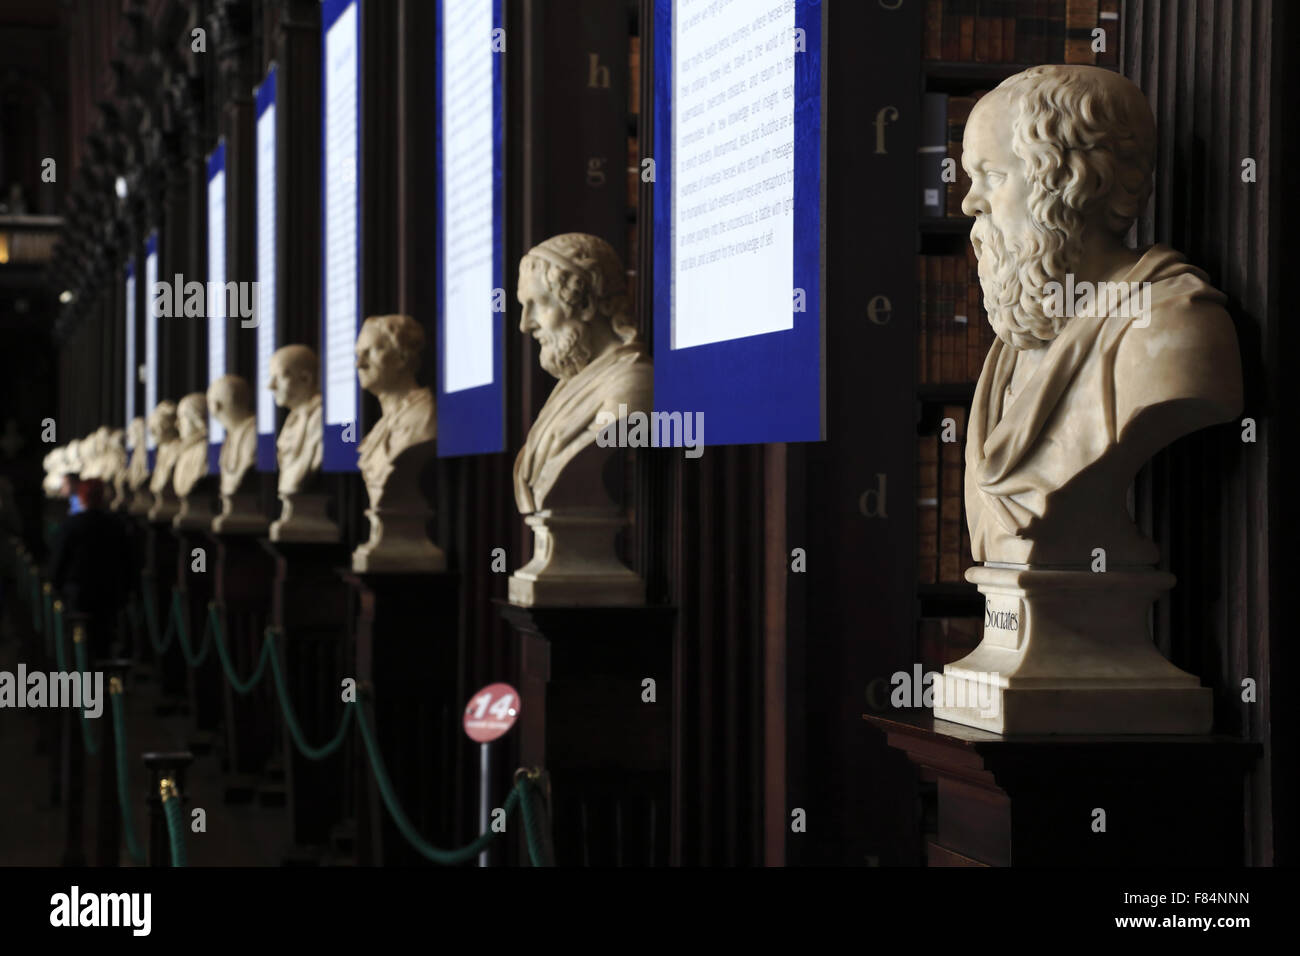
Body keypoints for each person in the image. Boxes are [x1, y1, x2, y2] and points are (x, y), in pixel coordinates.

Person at [49, 478, 129, 660]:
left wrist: (56, 586)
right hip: (108, 592)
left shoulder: (70, 525)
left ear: (82, 498)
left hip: (79, 593)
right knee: (104, 640)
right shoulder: (115, 525)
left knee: (79, 642)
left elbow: (60, 560)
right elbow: (126, 560)